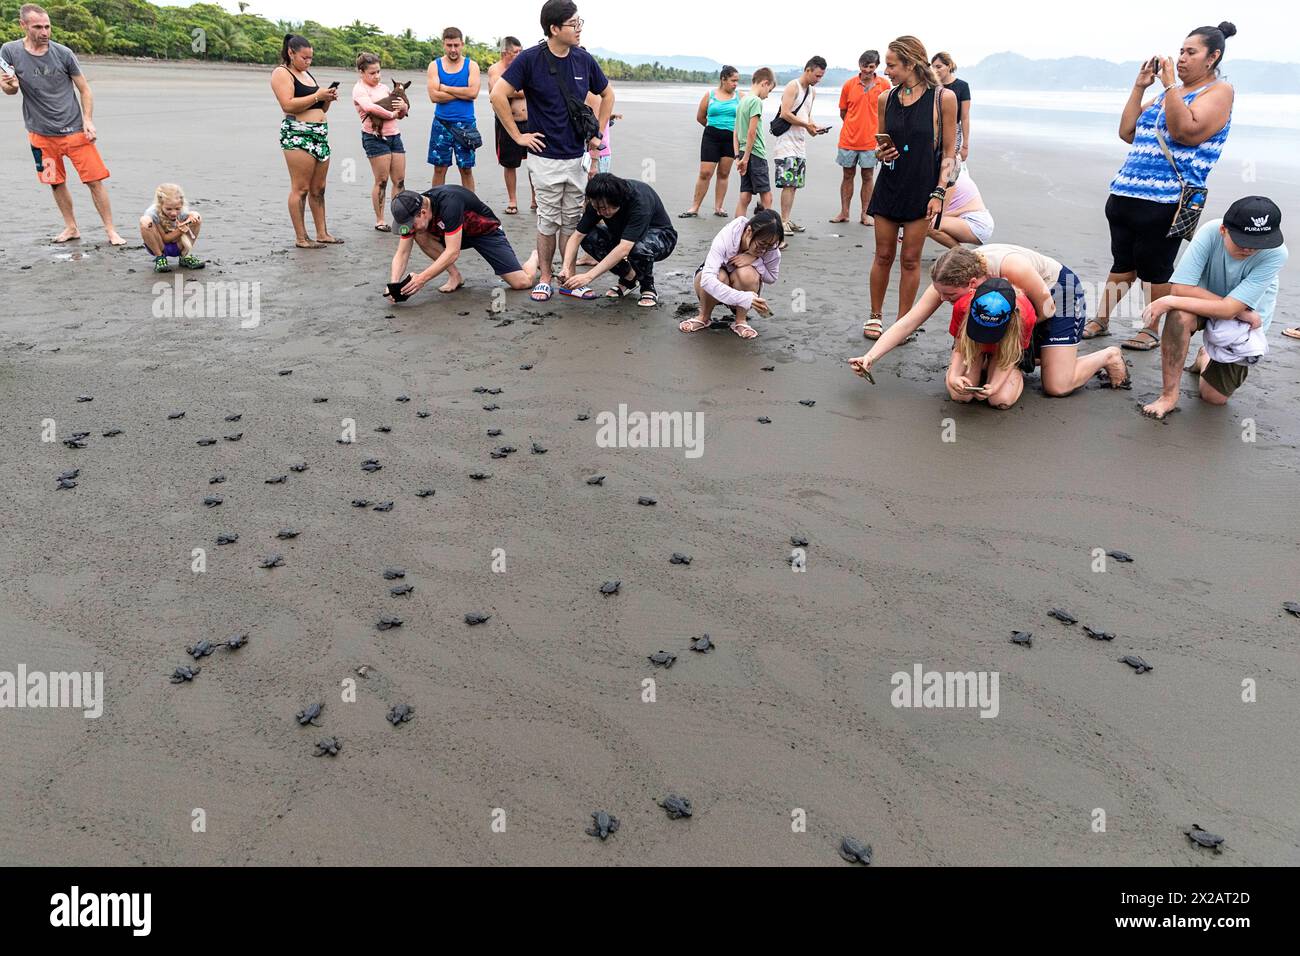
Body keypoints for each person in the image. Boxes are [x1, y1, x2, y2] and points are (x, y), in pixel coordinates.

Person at [1086, 22, 1236, 350]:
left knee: (1156, 269)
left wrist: (1169, 87)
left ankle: (1150, 328)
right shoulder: (1167, 95)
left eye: (1190, 52)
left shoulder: (1219, 92)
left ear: (1213, 57)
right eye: (1181, 51)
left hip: (1166, 200)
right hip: (1125, 192)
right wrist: (1140, 87)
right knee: (1122, 262)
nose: (1181, 58)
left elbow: (1186, 132)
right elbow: (1127, 132)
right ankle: (1102, 319)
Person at [848, 244, 1130, 396]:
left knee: (1056, 385)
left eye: (949, 295)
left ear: (972, 284)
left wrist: (1018, 349)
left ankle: (1107, 356)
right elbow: (910, 322)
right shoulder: (947, 279)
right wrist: (871, 356)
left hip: (1056, 294)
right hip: (1017, 306)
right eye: (940, 292)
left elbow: (1046, 310)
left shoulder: (1012, 269)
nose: (943, 298)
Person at [490, 0, 614, 303]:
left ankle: (568, 276)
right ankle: (545, 277)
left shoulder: (584, 60)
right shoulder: (531, 60)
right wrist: (518, 136)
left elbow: (607, 94)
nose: (579, 28)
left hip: (577, 157)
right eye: (573, 24)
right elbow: (497, 95)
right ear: (554, 28)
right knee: (547, 219)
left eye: (579, 22)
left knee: (572, 219)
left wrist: (596, 134)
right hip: (545, 157)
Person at [1140, 197, 1287, 419]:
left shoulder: (1276, 253)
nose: (1249, 248)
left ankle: (1204, 357)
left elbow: (1226, 310)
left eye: (1258, 243)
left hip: (1242, 322)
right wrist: (1238, 309)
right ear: (1223, 230)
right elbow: (1180, 289)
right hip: (1234, 311)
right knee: (1179, 314)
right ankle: (1169, 396)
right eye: (1242, 240)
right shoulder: (1210, 232)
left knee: (1213, 399)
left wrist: (1168, 300)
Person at [1, 4, 125, 245]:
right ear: (23, 25)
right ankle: (71, 227)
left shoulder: (64, 53)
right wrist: (12, 85)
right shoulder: (9, 51)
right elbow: (8, 89)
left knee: (94, 180)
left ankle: (111, 231)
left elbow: (84, 89)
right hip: (40, 135)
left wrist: (87, 120)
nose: (45, 31)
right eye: (38, 26)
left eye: (47, 26)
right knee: (55, 182)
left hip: (75, 132)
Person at [864, 37, 957, 340]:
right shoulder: (885, 99)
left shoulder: (943, 98)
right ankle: (875, 315)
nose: (886, 71)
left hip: (922, 189)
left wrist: (939, 192)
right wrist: (881, 153)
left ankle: (903, 322)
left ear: (911, 62)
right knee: (883, 255)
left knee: (910, 259)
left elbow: (948, 153)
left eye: (891, 65)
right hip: (889, 185)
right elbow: (879, 144)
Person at [386, 187, 540, 299]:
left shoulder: (449, 204)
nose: (410, 227)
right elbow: (402, 252)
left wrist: (421, 279)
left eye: (411, 223)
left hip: (485, 232)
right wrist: (394, 285)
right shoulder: (414, 210)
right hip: (451, 233)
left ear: (423, 213)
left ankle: (536, 257)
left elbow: (453, 252)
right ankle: (455, 276)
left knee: (521, 283)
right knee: (419, 234)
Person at [558, 172, 677, 307]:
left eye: (603, 209)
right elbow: (577, 236)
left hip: (661, 236)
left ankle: (647, 287)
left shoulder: (639, 201)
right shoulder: (598, 200)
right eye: (596, 208)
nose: (599, 213)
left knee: (636, 248)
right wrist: (565, 267)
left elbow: (624, 248)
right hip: (623, 236)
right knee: (589, 237)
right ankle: (629, 278)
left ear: (617, 201)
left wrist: (588, 276)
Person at [271, 33, 341, 248]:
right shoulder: (282, 73)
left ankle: (322, 233)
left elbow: (317, 106)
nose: (308, 62)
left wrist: (326, 99)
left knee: (318, 188)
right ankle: (301, 237)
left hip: (319, 134)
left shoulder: (307, 74)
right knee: (300, 188)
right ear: (291, 53)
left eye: (310, 58)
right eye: (304, 58)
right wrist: (318, 96)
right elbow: (288, 105)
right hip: (298, 133)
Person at [678, 209, 783, 340]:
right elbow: (707, 280)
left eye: (770, 246)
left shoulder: (770, 246)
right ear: (749, 231)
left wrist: (756, 261)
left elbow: (772, 278)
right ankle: (703, 316)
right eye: (761, 244)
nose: (764, 250)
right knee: (719, 277)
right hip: (713, 284)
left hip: (741, 283)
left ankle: (740, 320)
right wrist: (744, 298)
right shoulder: (728, 235)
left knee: (748, 274)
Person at [944, 278, 1036, 409]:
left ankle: (1008, 371)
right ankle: (980, 365)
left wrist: (995, 387)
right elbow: (961, 347)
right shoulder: (962, 305)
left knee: (1000, 399)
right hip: (973, 346)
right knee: (961, 396)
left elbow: (1011, 354)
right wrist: (953, 377)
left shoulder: (1025, 316)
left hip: (1005, 351)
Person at [771, 56, 829, 239]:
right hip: (786, 143)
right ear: (808, 70)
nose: (818, 80)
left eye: (821, 77)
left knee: (794, 185)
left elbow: (807, 116)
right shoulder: (792, 86)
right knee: (788, 183)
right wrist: (806, 125)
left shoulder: (812, 91)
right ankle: (783, 221)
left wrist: (814, 128)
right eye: (817, 76)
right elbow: (786, 113)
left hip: (799, 143)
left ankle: (786, 218)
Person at [832, 50, 890, 227]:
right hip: (849, 139)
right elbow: (843, 111)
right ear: (859, 65)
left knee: (868, 175)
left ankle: (866, 214)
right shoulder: (849, 85)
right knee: (847, 175)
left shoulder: (884, 85)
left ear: (876, 67)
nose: (867, 70)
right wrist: (854, 124)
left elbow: (887, 112)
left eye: (871, 67)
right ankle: (844, 212)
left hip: (871, 140)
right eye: (864, 66)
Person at [353, 52, 408, 232]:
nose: (377, 76)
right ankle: (380, 220)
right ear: (361, 72)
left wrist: (403, 108)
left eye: (378, 72)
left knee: (399, 180)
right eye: (372, 73)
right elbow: (370, 108)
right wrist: (392, 114)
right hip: (374, 138)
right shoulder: (360, 89)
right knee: (382, 180)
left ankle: (399, 219)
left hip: (394, 136)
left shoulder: (385, 88)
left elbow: (399, 111)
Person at [681, 66, 740, 218]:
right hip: (711, 137)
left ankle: (718, 207)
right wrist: (713, 127)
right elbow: (700, 116)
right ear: (723, 79)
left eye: (737, 81)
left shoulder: (740, 96)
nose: (736, 84)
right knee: (705, 173)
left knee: (723, 173)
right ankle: (694, 207)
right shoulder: (710, 95)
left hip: (730, 138)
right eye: (733, 80)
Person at [427, 27, 481, 192]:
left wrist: (445, 87)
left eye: (456, 45)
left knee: (466, 169)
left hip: (466, 124)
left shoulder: (471, 66)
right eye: (449, 45)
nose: (453, 49)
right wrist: (461, 92)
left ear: (462, 44)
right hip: (441, 123)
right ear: (443, 44)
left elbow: (473, 93)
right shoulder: (435, 66)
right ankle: (436, 207)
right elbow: (434, 97)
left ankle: (471, 209)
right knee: (439, 168)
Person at [487, 37, 536, 215]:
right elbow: (496, 92)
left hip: (529, 121)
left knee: (534, 161)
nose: (519, 55)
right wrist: (522, 91)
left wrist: (513, 91)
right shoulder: (496, 69)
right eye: (516, 52)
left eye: (521, 52)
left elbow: (530, 89)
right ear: (505, 53)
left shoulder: (524, 68)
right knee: (510, 164)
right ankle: (512, 200)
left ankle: (535, 199)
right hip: (507, 123)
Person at [733, 68, 776, 219]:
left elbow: (736, 132)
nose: (767, 95)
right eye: (769, 91)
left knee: (745, 196)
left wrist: (738, 157)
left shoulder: (742, 101)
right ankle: (767, 236)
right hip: (755, 154)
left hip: (744, 152)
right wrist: (745, 158)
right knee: (767, 197)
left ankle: (736, 232)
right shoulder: (756, 101)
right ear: (765, 83)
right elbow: (752, 132)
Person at [139, 183, 203, 273]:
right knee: (145, 220)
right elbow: (166, 239)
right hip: (159, 245)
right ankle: (160, 258)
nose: (173, 213)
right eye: (168, 209)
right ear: (160, 205)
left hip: (179, 246)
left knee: (197, 217)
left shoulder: (182, 211)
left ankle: (184, 255)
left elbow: (193, 216)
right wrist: (180, 230)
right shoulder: (153, 213)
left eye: (177, 209)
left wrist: (192, 217)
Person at [929, 166, 994, 247]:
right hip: (964, 218)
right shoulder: (951, 168)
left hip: (977, 224)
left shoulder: (947, 179)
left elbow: (936, 215)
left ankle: (965, 255)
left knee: (929, 226)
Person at [930, 52, 971, 177]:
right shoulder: (932, 87)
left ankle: (949, 192)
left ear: (949, 66)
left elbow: (964, 117)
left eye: (939, 66)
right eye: (933, 67)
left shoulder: (962, 86)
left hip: (954, 131)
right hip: (934, 131)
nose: (935, 70)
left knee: (949, 169)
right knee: (932, 167)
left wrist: (965, 146)